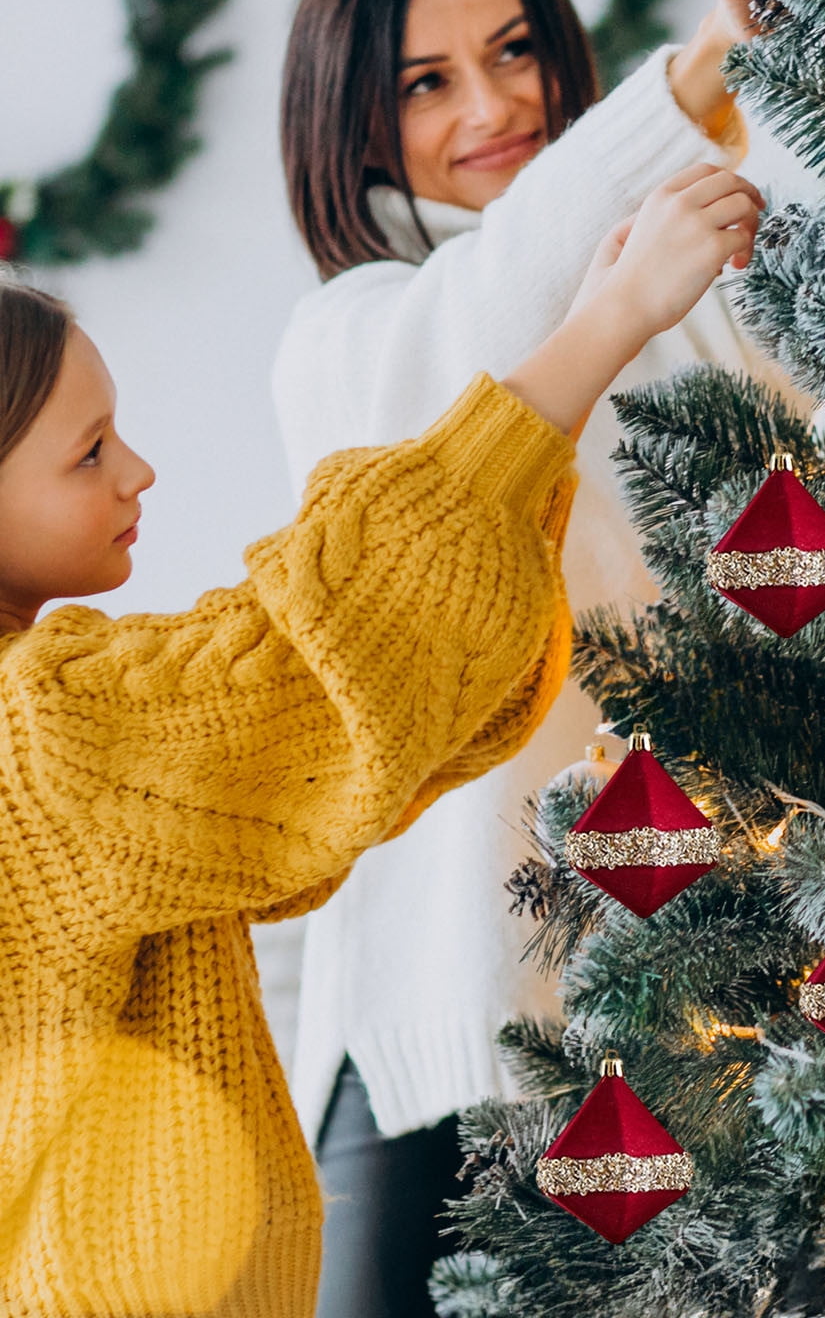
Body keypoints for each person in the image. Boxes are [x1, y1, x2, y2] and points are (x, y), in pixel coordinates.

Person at [271, 0, 825, 1317]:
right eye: (426, 83)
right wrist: (713, 59)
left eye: (515, 49)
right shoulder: (351, 337)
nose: (491, 108)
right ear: (347, 120)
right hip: (454, 1046)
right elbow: (493, 323)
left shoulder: (679, 288)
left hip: (703, 1020)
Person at [0, 156, 761, 1317]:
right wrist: (605, 323)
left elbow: (342, 723)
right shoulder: (45, 728)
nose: (138, 470)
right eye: (89, 450)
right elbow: (334, 649)